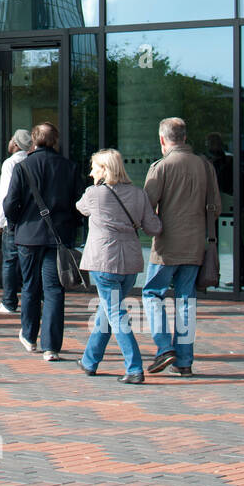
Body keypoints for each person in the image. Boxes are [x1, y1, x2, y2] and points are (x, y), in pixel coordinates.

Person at [141, 117, 220, 376]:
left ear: (163, 139)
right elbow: (215, 206)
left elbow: (147, 207)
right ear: (184, 138)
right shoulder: (205, 165)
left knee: (152, 294)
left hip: (166, 245)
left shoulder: (161, 167)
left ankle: (164, 348)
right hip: (196, 243)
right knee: (186, 300)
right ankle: (184, 361)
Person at [76, 149, 162, 383]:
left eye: (94, 167)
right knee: (108, 311)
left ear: (104, 170)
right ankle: (89, 360)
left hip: (104, 262)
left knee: (115, 313)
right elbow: (154, 228)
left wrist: (97, 187)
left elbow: (80, 207)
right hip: (130, 262)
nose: (90, 171)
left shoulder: (94, 193)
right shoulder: (138, 194)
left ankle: (134, 367)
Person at [3, 122, 87, 361]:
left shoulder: (23, 166)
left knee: (30, 286)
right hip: (58, 237)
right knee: (54, 289)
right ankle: (51, 346)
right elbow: (79, 204)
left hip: (28, 236)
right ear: (55, 140)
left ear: (34, 140)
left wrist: (16, 222)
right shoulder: (69, 167)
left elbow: (10, 203)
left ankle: (29, 336)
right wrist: (73, 224)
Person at [0, 129, 32, 314]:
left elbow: (6, 194)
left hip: (13, 219)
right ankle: (32, 297)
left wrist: (0, 221)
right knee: (30, 261)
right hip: (31, 219)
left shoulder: (10, 163)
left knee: (9, 260)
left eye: (11, 139)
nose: (9, 142)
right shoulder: (33, 160)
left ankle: (9, 301)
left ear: (16, 144)